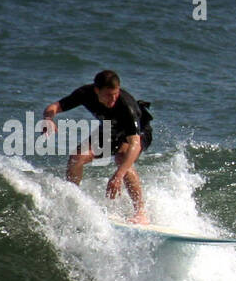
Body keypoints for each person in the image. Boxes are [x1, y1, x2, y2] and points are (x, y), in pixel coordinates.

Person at [42, 70, 153, 224]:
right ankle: (72, 202)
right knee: (77, 158)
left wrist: (118, 176)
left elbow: (135, 143)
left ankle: (141, 213)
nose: (113, 99)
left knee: (122, 159)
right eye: (108, 95)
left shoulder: (126, 106)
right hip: (112, 129)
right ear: (96, 91)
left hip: (138, 133)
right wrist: (48, 118)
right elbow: (54, 107)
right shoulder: (85, 93)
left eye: (115, 94)